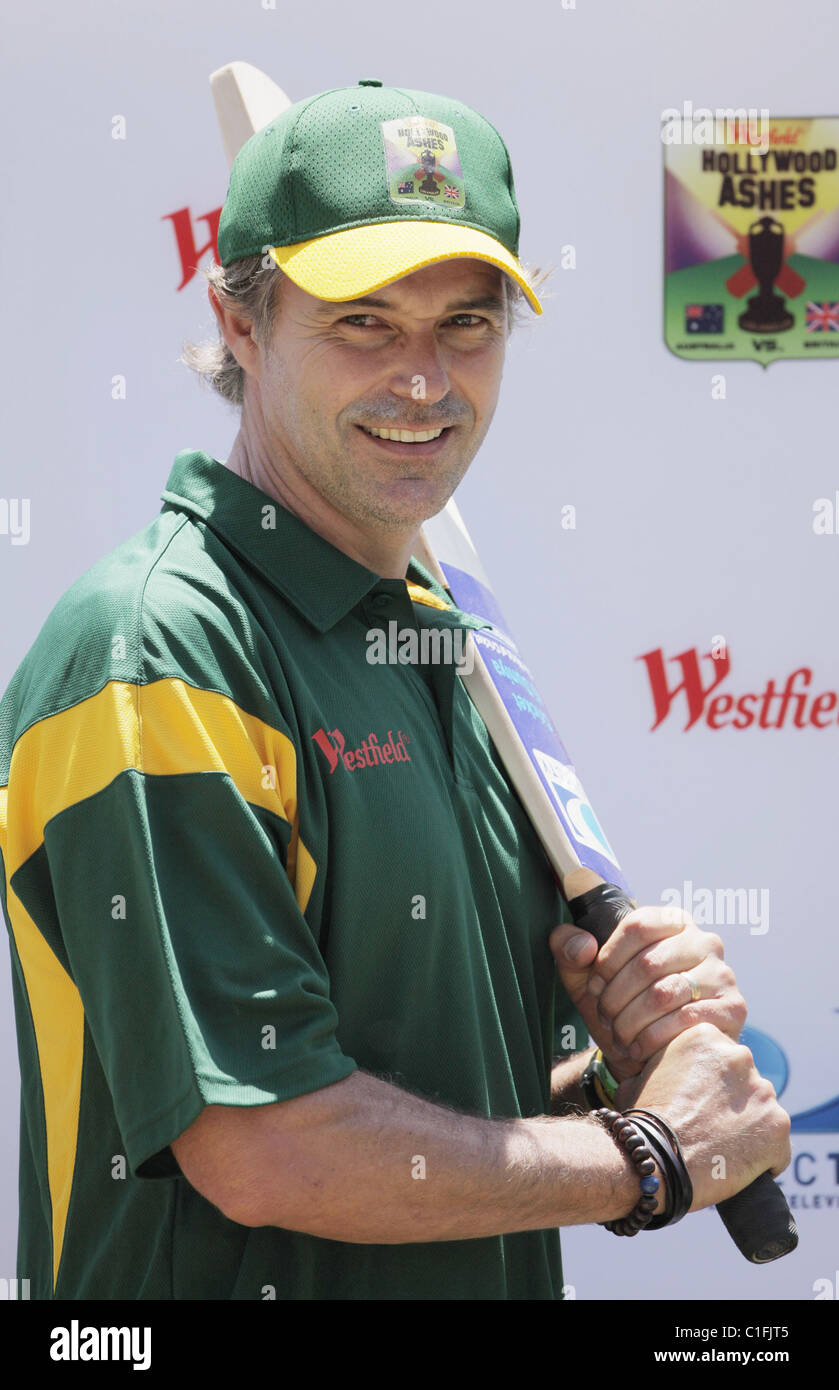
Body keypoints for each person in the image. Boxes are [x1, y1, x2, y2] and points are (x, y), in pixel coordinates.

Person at [0, 80, 789, 1301]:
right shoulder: (157, 647)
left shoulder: (432, 637)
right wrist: (647, 1159)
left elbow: (457, 1102)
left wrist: (620, 1069)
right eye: (362, 322)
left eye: (464, 326)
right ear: (240, 321)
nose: (423, 381)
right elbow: (265, 1146)